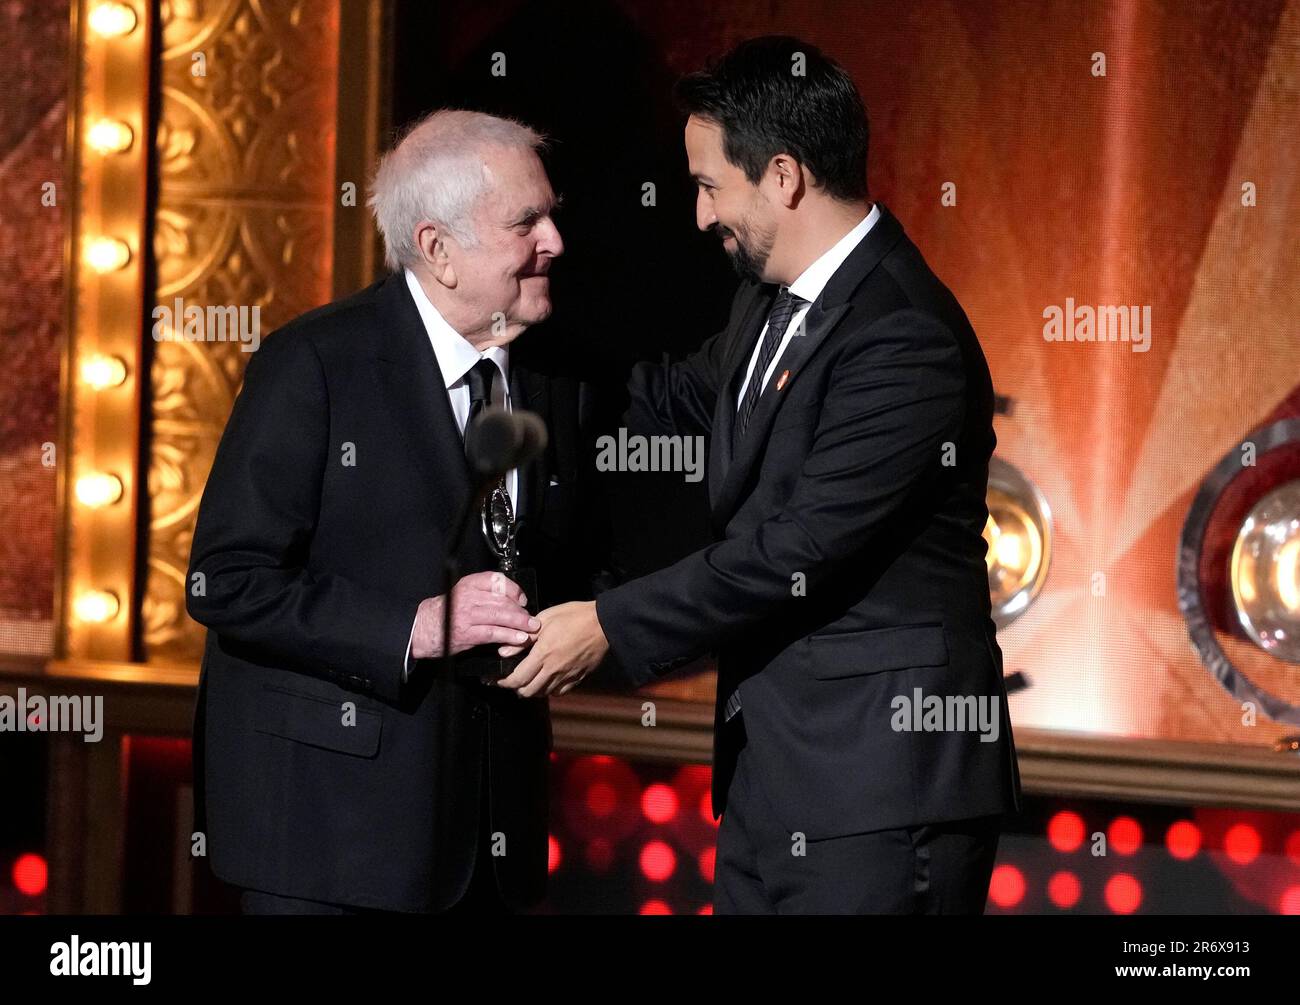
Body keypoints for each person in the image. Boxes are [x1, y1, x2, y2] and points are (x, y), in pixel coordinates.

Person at [501, 36, 1022, 914]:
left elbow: (797, 548)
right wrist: (506, 344)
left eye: (710, 185)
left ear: (783, 177)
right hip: (775, 787)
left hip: (878, 802)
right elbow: (668, 395)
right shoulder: (770, 300)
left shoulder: (903, 335)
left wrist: (609, 623)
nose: (701, 216)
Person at [187, 109, 580, 914]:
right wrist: (420, 623)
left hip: (491, 850)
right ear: (437, 248)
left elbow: (571, 555)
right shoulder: (315, 365)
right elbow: (225, 582)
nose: (555, 243)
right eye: (525, 223)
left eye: (552, 215)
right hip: (330, 846)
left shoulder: (554, 377)